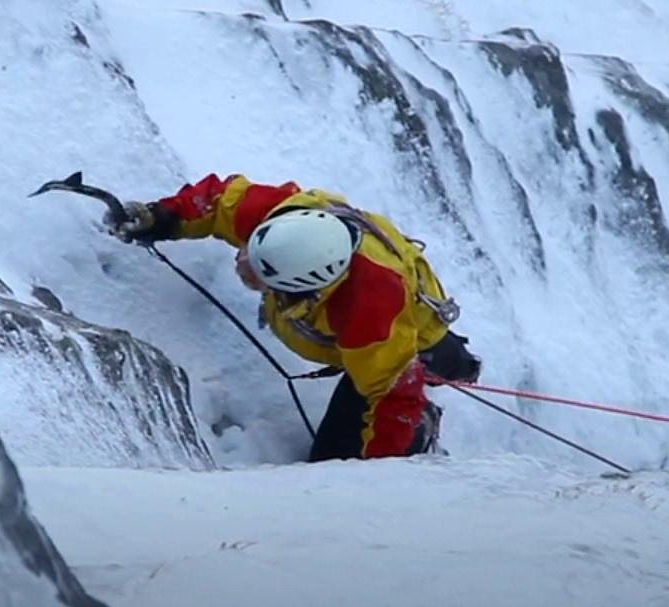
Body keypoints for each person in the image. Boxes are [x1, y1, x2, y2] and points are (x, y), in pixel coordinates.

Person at [111, 173, 482, 461]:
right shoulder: (286, 223)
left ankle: (426, 417)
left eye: (259, 275)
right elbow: (222, 202)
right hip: (365, 324)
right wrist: (162, 217)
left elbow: (393, 395)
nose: (241, 264)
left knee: (338, 459)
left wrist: (377, 476)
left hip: (402, 326)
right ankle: (447, 364)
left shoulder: (367, 310)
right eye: (248, 254)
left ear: (304, 289)